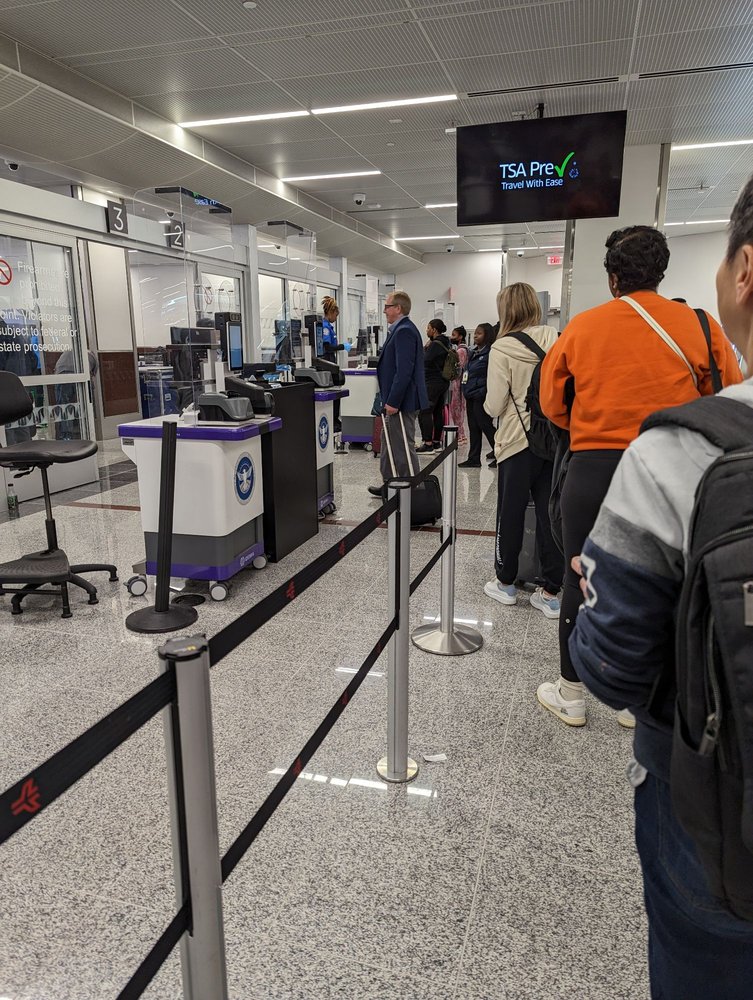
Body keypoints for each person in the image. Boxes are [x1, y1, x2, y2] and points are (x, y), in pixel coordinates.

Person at [569, 175, 753, 999]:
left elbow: (550, 397)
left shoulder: (678, 451)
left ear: (743, 270)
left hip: (622, 469)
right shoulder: (700, 328)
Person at [537, 225, 743, 728]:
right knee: (669, 575)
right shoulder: (700, 324)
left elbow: (551, 403)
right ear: (661, 272)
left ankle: (572, 692)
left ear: (613, 279)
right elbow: (730, 392)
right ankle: (641, 697)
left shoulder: (582, 327)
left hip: (594, 467)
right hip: (674, 465)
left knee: (578, 573)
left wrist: (588, 426)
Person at [482, 283, 563, 616]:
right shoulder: (556, 338)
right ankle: (551, 591)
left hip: (516, 441)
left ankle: (506, 583)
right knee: (549, 514)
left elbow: (494, 404)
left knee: (510, 513)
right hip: (552, 440)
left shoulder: (502, 348)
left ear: (506, 310)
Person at [369, 290, 428, 497]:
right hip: (393, 399)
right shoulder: (399, 330)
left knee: (402, 445)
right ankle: (390, 482)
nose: (384, 311)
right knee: (388, 443)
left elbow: (404, 371)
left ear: (398, 308)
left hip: (402, 402)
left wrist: (393, 401)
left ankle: (411, 490)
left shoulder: (405, 331)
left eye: (387, 307)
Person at [459, 323, 497, 468]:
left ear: (486, 335)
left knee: (485, 425)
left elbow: (491, 376)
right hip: (470, 394)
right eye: (475, 333)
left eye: (479, 333)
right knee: (473, 427)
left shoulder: (490, 354)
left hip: (481, 395)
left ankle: (500, 454)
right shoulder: (473, 352)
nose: (475, 336)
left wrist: (482, 391)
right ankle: (474, 458)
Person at [417, 318, 451, 452]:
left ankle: (428, 443)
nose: (427, 330)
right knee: (437, 412)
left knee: (425, 411)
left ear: (434, 330)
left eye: (428, 328)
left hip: (432, 382)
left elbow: (426, 361)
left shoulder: (435, 344)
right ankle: (436, 441)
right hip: (442, 382)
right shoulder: (445, 342)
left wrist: (425, 349)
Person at [448, 325, 469, 444]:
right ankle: (460, 434)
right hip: (460, 382)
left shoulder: (460, 351)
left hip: (458, 383)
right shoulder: (465, 349)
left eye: (454, 335)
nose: (452, 337)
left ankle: (460, 434)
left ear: (460, 337)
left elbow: (458, 367)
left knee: (457, 408)